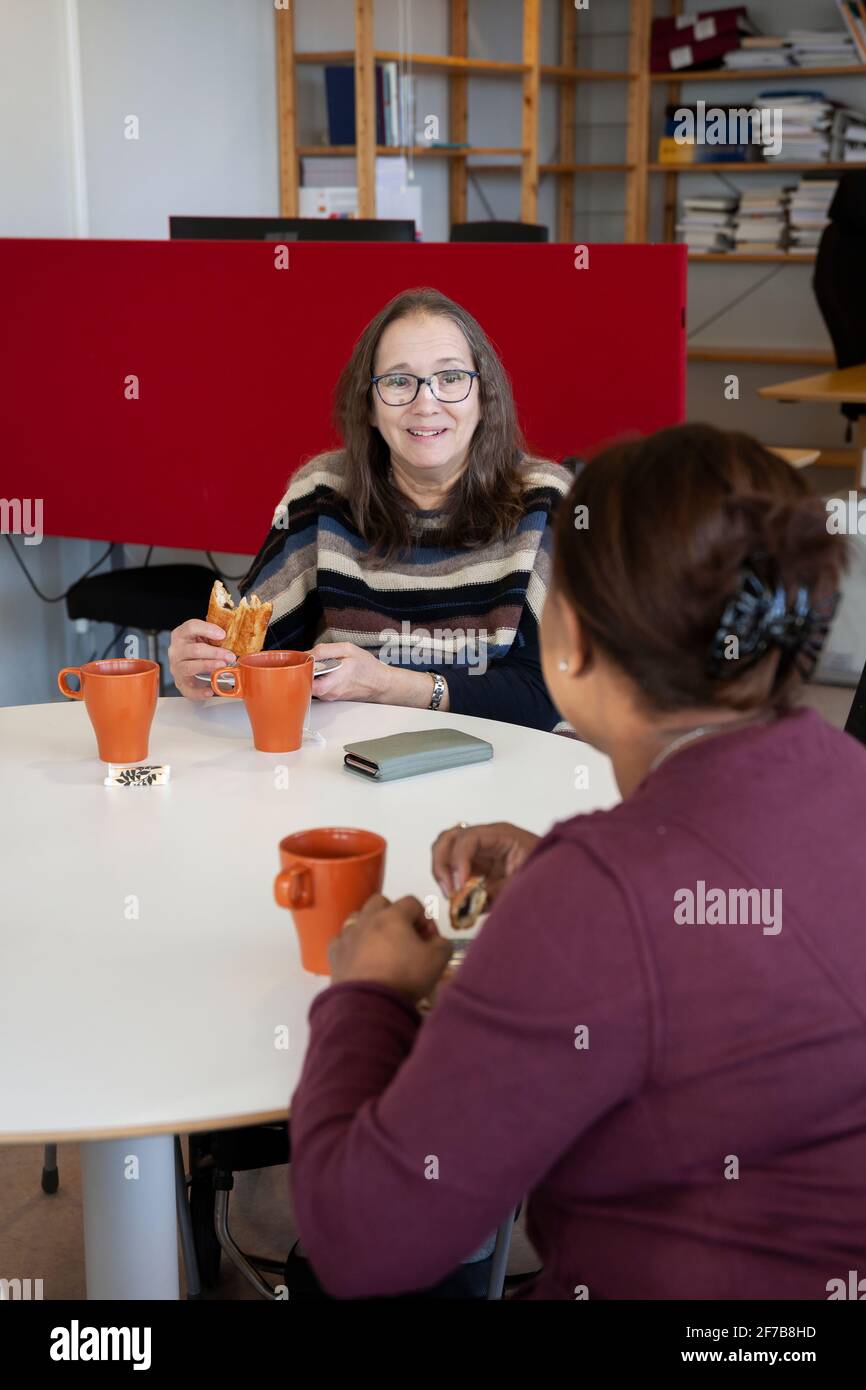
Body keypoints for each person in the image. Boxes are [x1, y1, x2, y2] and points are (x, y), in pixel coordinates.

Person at [287, 423, 866, 1299]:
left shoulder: (601, 903)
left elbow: (359, 1239)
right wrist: (565, 877)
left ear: (576, 641)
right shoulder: (843, 779)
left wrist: (368, 992)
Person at [168, 287, 569, 730]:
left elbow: (547, 697)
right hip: (347, 769)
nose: (426, 402)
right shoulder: (322, 495)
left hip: (506, 770)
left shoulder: (546, 502)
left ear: (484, 396)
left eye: (450, 377)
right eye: (399, 381)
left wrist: (391, 685)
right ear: (371, 407)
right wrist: (207, 667)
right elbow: (256, 657)